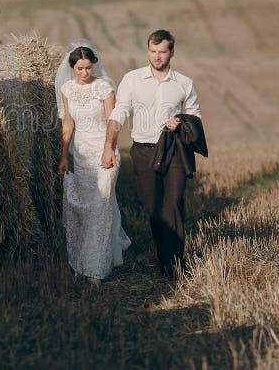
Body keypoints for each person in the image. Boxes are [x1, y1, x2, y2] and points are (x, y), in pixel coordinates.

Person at [101, 29, 204, 279]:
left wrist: (180, 120)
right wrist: (108, 146)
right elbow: (119, 114)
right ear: (148, 51)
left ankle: (175, 264)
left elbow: (195, 117)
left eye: (162, 51)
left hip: (174, 149)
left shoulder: (184, 83)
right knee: (154, 209)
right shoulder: (132, 79)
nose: (157, 56)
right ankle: (164, 257)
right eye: (153, 51)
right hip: (144, 151)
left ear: (172, 52)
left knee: (175, 203)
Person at [55, 40, 131, 283]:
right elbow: (68, 124)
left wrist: (109, 149)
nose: (85, 73)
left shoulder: (104, 88)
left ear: (94, 65)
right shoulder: (67, 90)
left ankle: (96, 269)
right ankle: (82, 261)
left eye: (88, 68)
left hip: (105, 152)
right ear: (72, 68)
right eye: (80, 69)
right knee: (85, 208)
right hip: (82, 154)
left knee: (101, 204)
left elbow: (113, 121)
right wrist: (63, 155)